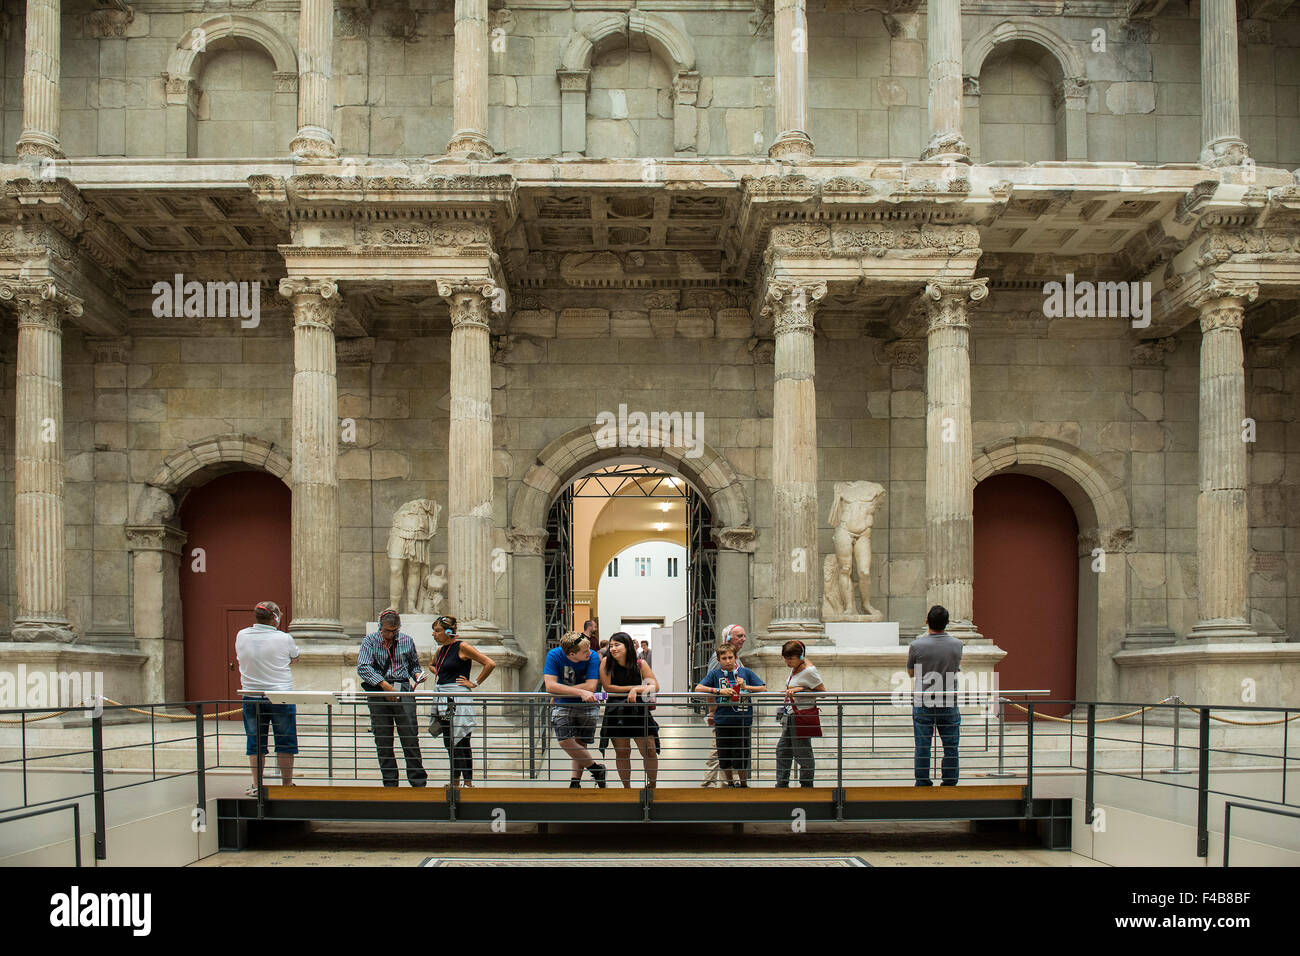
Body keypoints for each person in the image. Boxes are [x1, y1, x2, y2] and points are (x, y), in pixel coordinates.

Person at [357, 608, 428, 787]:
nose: (391, 634)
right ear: (380, 627)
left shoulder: (406, 640)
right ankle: (390, 784)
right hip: (379, 689)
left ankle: (418, 782)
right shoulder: (369, 641)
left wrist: (418, 674)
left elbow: (413, 665)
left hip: (402, 687)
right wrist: (383, 685)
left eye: (395, 631)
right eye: (388, 631)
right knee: (383, 738)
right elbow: (363, 667)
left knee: (410, 736)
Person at [235, 601, 298, 796]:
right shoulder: (284, 638)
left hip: (251, 695)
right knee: (285, 741)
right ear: (275, 618)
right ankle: (287, 785)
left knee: (255, 742)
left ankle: (257, 785)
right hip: (281, 696)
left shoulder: (241, 635)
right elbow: (295, 657)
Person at [427, 615, 495, 788]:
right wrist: (440, 674)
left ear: (448, 632)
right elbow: (432, 665)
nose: (434, 634)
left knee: (460, 738)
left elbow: (489, 663)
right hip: (444, 697)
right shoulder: (441, 650)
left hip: (455, 700)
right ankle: (458, 781)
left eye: (437, 631)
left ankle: (464, 782)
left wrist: (474, 683)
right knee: (450, 739)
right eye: (433, 631)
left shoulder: (462, 646)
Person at [543, 631, 608, 788]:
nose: (589, 653)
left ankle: (575, 782)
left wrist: (560, 690)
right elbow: (550, 686)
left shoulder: (592, 656)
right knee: (565, 740)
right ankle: (596, 769)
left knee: (580, 743)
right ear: (572, 654)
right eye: (584, 651)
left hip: (585, 705)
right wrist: (580, 692)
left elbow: (591, 686)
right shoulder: (554, 655)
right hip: (563, 704)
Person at [908, 604, 963, 786]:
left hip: (923, 701)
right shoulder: (957, 645)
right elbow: (956, 668)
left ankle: (923, 782)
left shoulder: (916, 645)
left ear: (926, 621)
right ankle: (949, 782)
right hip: (948, 700)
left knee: (923, 745)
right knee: (951, 746)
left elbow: (910, 672)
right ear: (947, 623)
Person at [696, 642, 764, 787]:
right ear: (719, 660)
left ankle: (744, 784)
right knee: (724, 754)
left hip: (742, 720)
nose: (728, 661)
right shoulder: (715, 674)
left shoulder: (746, 673)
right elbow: (698, 688)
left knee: (741, 754)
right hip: (723, 720)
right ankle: (730, 783)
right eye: (724, 658)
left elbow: (762, 688)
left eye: (730, 657)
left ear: (735, 658)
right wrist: (718, 691)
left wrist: (746, 687)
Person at [598, 632, 660, 789]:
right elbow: (608, 687)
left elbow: (654, 686)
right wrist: (634, 689)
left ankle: (652, 786)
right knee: (622, 752)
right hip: (615, 711)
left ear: (627, 646)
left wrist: (636, 690)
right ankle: (627, 789)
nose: (612, 648)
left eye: (617, 645)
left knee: (649, 749)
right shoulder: (606, 662)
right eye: (611, 645)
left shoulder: (640, 664)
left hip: (638, 711)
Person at [775, 640, 826, 788]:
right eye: (785, 658)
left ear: (800, 656)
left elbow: (822, 693)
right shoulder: (796, 667)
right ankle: (782, 783)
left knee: (802, 752)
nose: (787, 662)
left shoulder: (809, 670)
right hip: (791, 714)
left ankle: (806, 785)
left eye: (790, 658)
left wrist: (801, 689)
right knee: (783, 750)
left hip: (802, 715)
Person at [701, 624, 747, 787]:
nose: (743, 639)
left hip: (734, 712)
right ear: (728, 638)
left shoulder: (736, 658)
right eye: (739, 636)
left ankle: (718, 782)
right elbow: (712, 686)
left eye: (743, 636)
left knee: (722, 748)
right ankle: (710, 783)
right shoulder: (719, 659)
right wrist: (712, 712)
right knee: (719, 749)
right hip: (723, 713)